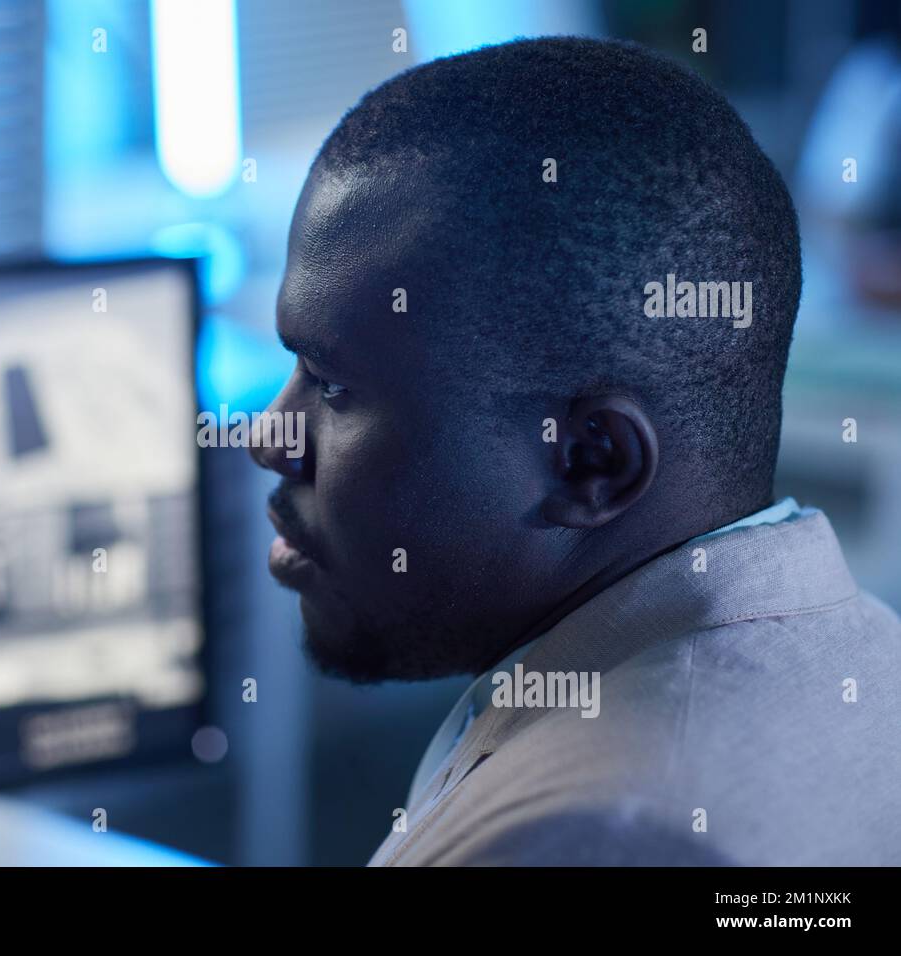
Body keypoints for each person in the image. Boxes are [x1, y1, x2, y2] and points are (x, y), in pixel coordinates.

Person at [250, 36, 901, 865]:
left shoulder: (586, 838)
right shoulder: (867, 653)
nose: (270, 435)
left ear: (591, 463)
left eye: (332, 385)